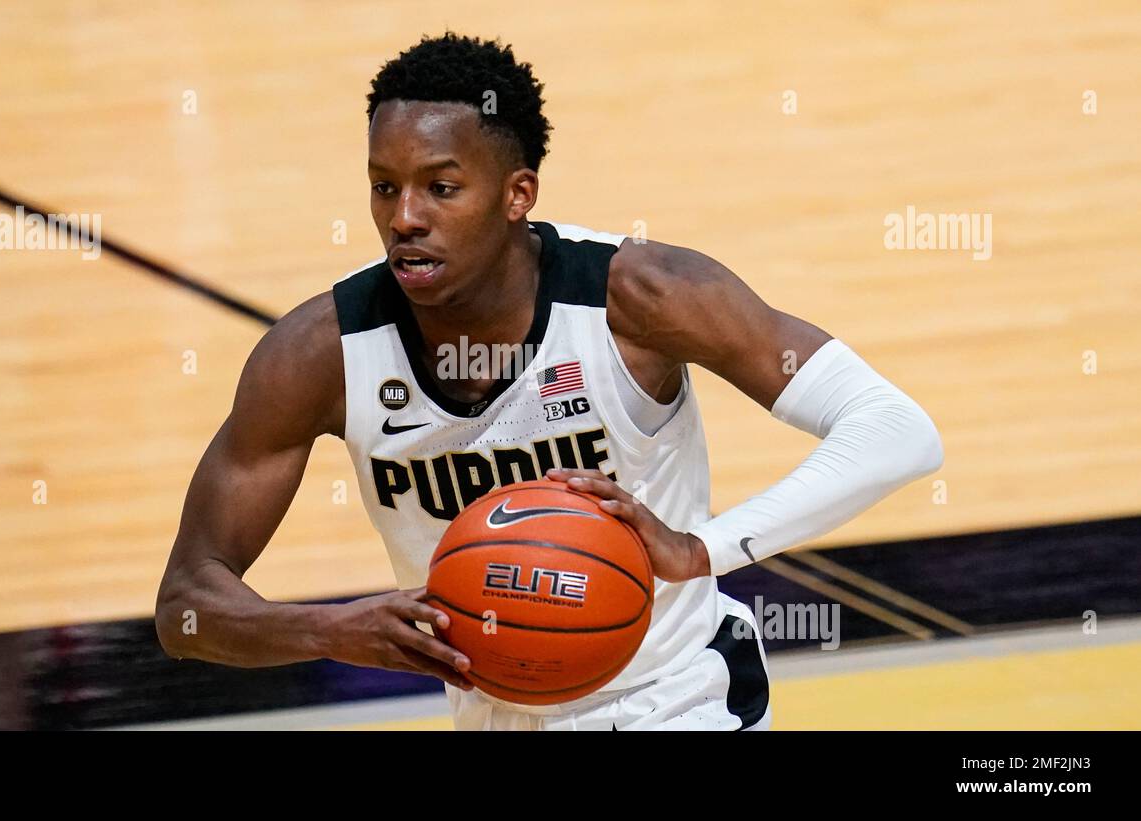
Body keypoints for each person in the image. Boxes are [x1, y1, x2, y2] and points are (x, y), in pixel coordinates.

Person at [155, 32, 943, 731]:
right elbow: (187, 604)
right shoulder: (319, 352)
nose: (405, 217)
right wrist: (329, 631)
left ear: (517, 194)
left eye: (441, 186)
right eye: (384, 186)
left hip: (676, 699)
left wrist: (700, 547)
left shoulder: (642, 296)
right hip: (497, 712)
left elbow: (892, 429)